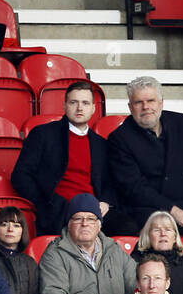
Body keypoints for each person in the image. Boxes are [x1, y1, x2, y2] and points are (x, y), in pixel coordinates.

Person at [107, 76, 183, 237]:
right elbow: (135, 188)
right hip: (146, 211)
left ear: (161, 102)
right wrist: (174, 212)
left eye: (151, 100)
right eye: (138, 102)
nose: (145, 107)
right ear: (130, 107)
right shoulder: (119, 139)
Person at [12, 81, 116, 236]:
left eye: (85, 103)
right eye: (74, 102)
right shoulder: (43, 134)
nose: (80, 108)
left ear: (93, 108)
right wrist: (45, 201)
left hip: (94, 211)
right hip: (59, 210)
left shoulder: (101, 144)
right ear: (65, 106)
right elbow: (20, 176)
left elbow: (110, 181)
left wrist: (106, 202)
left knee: (128, 225)